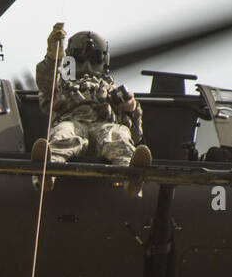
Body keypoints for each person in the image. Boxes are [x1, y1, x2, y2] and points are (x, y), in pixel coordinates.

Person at [32, 24, 151, 196]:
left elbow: (136, 134)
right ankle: (46, 175)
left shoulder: (112, 90)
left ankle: (132, 178)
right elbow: (45, 80)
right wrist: (53, 57)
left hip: (104, 125)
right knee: (63, 135)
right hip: (73, 122)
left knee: (117, 136)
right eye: (80, 59)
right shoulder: (60, 85)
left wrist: (131, 109)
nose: (87, 65)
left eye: (94, 59)